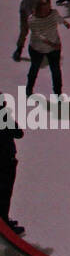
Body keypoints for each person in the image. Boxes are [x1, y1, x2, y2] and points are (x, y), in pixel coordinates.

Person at [24, 0, 70, 97]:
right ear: (38, 8)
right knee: (34, 68)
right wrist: (52, 44)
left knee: (56, 71)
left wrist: (65, 23)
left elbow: (58, 18)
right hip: (37, 49)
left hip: (54, 48)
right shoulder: (33, 20)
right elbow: (39, 35)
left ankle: (58, 93)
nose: (47, 10)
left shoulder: (53, 13)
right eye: (44, 8)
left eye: (48, 7)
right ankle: (29, 88)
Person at [0, 95, 22, 235]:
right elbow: (19, 133)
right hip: (6, 160)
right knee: (5, 193)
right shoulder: (3, 115)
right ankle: (4, 222)